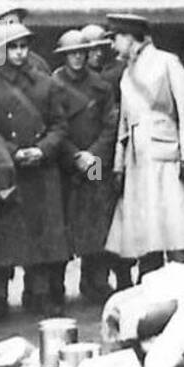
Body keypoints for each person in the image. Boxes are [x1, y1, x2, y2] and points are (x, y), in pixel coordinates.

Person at [0, 12, 70, 319]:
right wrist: (13, 151)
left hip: (41, 170)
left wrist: (41, 151)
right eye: (12, 47)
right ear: (2, 50)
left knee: (40, 233)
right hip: (8, 169)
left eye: (23, 46)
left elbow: (60, 126)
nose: (19, 53)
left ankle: (39, 292)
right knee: (3, 236)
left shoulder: (47, 85)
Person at [104, 13, 184, 276]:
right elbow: (124, 123)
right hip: (137, 160)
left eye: (116, 38)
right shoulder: (127, 73)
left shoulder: (167, 62)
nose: (113, 46)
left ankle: (183, 288)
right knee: (146, 233)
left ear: (129, 37)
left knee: (175, 227)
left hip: (165, 155)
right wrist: (118, 164)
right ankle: (150, 288)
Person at [50, 28, 120, 304]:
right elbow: (54, 124)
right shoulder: (54, 84)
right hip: (66, 162)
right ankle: (55, 287)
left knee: (96, 218)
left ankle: (95, 280)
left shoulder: (101, 86)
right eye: (71, 54)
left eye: (81, 52)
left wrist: (92, 155)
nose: (77, 58)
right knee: (64, 223)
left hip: (94, 162)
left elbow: (110, 125)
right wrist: (74, 156)